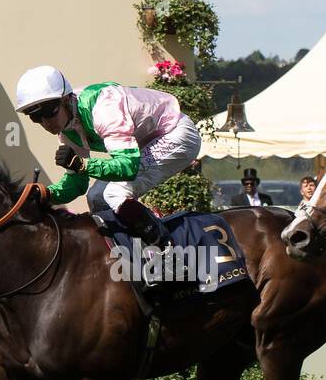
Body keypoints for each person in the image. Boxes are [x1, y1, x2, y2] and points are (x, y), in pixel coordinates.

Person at [14, 66, 201, 250]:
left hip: (176, 133)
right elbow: (77, 183)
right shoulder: (67, 131)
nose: (45, 122)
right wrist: (46, 194)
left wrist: (82, 164)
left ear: (65, 100)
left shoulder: (103, 108)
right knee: (96, 197)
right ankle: (122, 252)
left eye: (48, 111)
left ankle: (168, 253)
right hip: (145, 145)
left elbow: (128, 166)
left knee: (114, 193)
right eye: (35, 117)